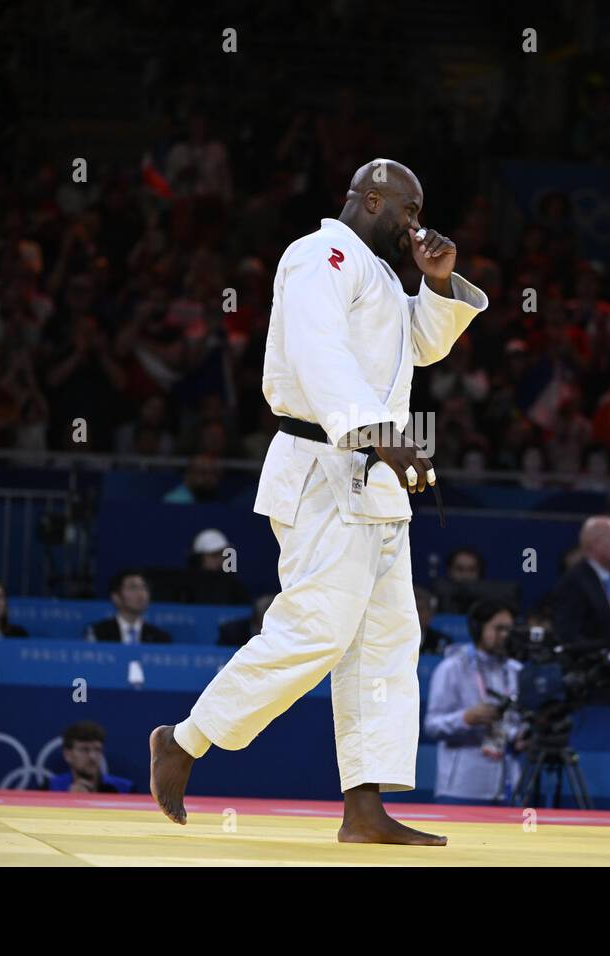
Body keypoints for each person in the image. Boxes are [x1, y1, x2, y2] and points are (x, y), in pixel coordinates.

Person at [149, 158, 488, 845]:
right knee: (316, 631)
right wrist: (378, 432)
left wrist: (440, 282)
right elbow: (317, 352)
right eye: (407, 212)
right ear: (369, 199)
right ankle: (183, 742)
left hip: (373, 477)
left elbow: (421, 348)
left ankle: (364, 810)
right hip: (325, 464)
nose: (414, 225)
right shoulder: (320, 254)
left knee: (386, 646)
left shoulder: (386, 279)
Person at [424, 601, 525, 804]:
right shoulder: (452, 668)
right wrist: (466, 718)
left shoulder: (516, 671)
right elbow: (432, 725)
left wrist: (521, 735)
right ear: (478, 629)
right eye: (499, 628)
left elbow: (516, 721)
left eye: (509, 629)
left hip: (507, 784)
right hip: (461, 787)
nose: (505, 635)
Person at [551, 516, 610, 670]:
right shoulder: (574, 582)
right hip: (589, 683)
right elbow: (568, 636)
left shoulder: (606, 581)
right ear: (597, 543)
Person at [42, 721, 134, 794]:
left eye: (97, 749)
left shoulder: (125, 789)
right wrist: (69, 800)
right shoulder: (50, 788)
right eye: (84, 750)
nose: (92, 756)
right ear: (68, 755)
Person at [85, 570, 172, 644]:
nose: (141, 594)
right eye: (133, 588)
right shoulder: (98, 633)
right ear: (116, 597)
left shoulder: (161, 638)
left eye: (144, 588)